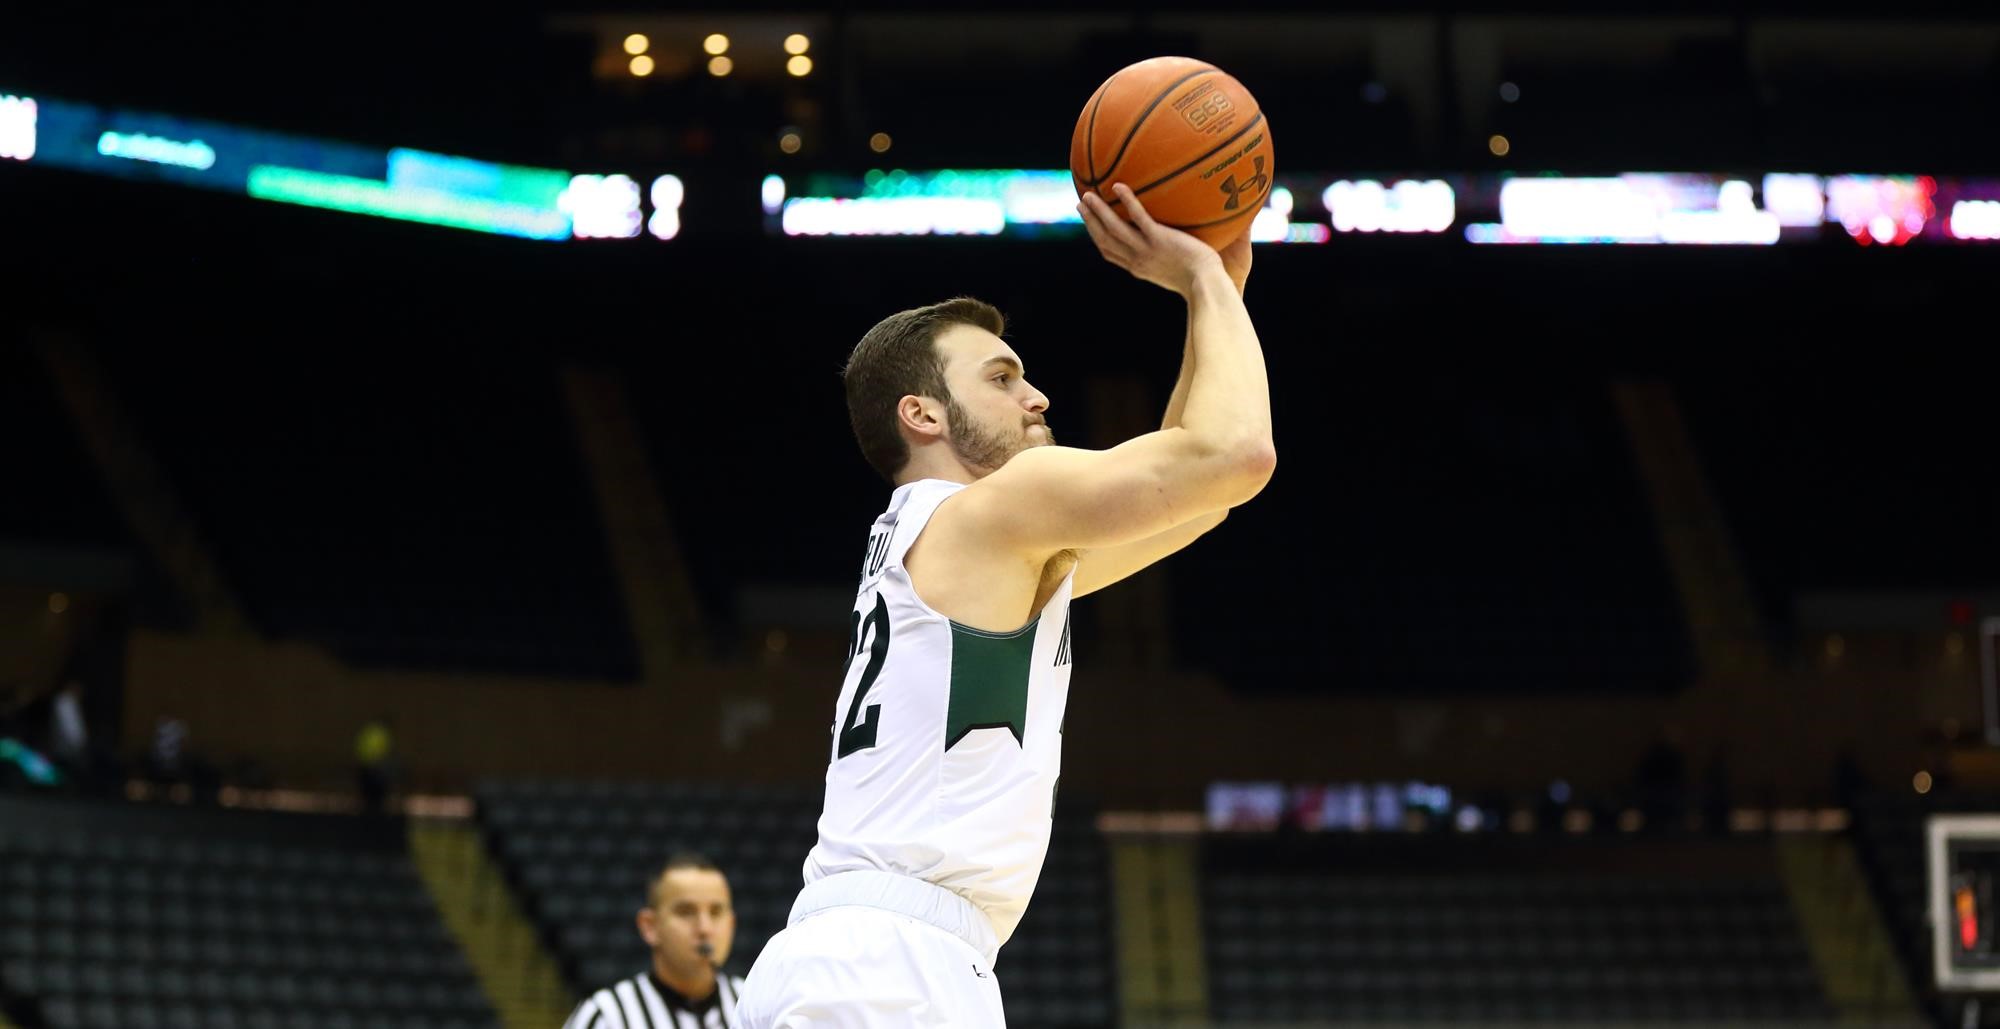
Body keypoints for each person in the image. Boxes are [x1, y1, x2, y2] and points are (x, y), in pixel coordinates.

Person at [737, 183, 1275, 1026]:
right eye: (1002, 377)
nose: (1039, 396)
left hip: (888, 959)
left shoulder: (970, 542)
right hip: (885, 969)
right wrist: (1202, 276)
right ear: (922, 413)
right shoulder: (992, 512)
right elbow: (1237, 454)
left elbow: (1199, 499)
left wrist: (1221, 297)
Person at [563, 852, 745, 1029]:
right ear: (649, 926)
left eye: (716, 912)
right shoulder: (606, 1015)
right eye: (686, 912)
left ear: (731, 923)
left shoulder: (754, 1000)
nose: (705, 928)